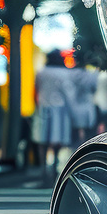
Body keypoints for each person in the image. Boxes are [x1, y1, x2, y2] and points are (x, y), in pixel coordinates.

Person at [34, 49, 76, 185]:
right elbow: (69, 93)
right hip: (60, 110)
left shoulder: (41, 72)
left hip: (43, 108)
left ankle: (43, 171)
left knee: (43, 141)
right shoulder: (64, 73)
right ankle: (54, 169)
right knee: (57, 141)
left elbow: (36, 90)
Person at [68, 55, 98, 146]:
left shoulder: (70, 74)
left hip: (73, 108)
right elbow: (94, 88)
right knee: (87, 138)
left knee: (76, 137)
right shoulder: (90, 75)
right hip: (87, 108)